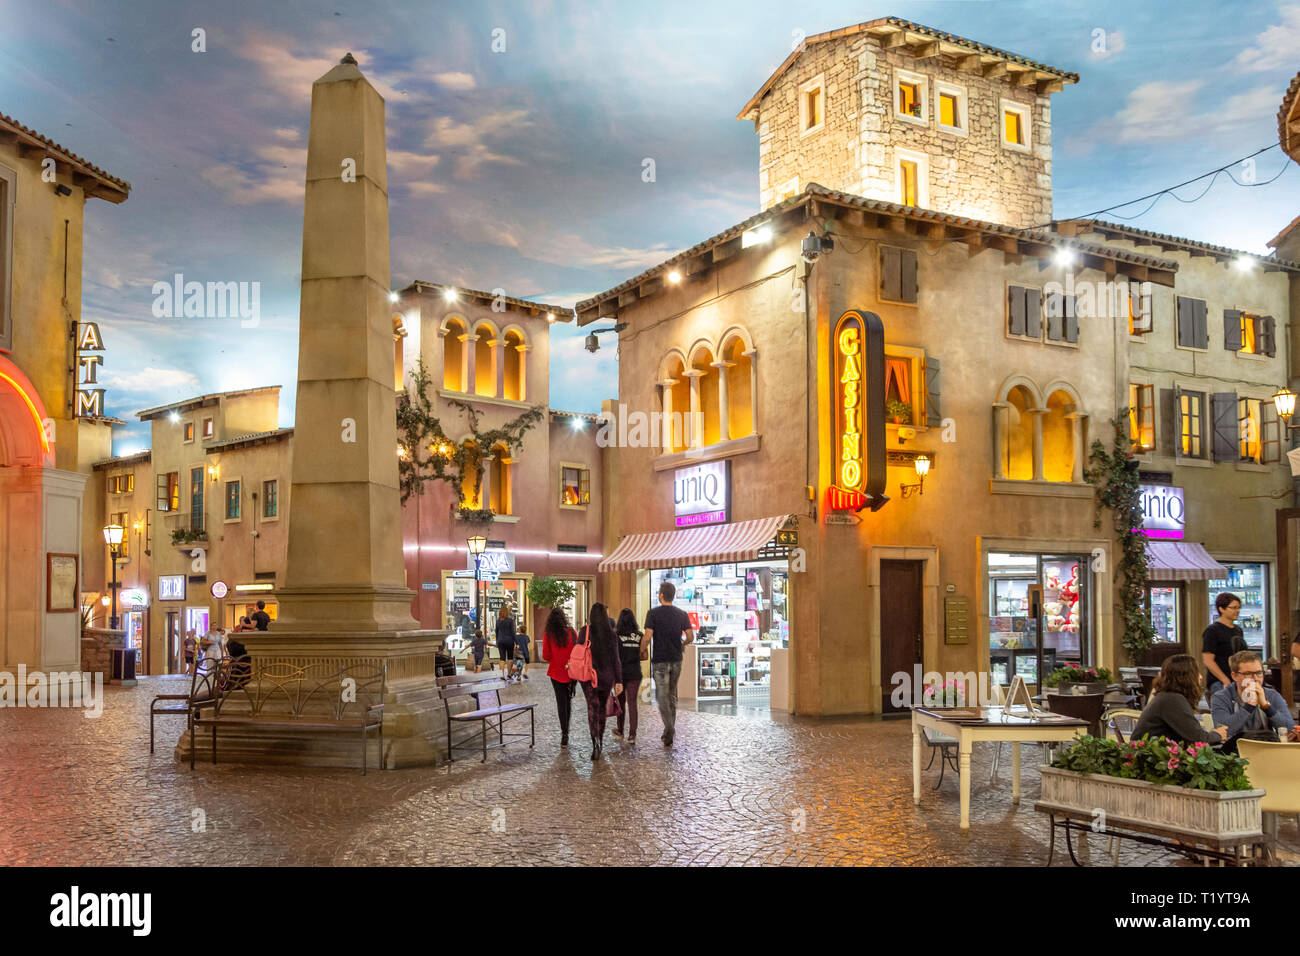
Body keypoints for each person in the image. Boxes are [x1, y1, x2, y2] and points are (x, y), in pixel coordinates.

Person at [1132, 653, 1228, 746]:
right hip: (1150, 758)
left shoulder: (1169, 696)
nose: (1201, 677)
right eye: (1196, 673)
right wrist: (1219, 734)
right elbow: (1197, 738)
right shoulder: (1172, 700)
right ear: (1185, 677)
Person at [1210, 650, 1297, 752]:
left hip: (1268, 751)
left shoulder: (1272, 695)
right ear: (1234, 676)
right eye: (1248, 674)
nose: (1255, 678)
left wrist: (1266, 706)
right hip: (1233, 754)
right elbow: (1224, 731)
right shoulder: (1221, 697)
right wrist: (1250, 705)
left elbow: (1290, 730)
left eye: (1259, 673)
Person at [642, 581, 694, 747]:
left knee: (661, 695)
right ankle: (668, 729)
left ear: (661, 595)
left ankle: (669, 728)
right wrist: (681, 644)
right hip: (677, 659)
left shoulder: (653, 613)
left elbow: (648, 637)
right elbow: (690, 636)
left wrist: (641, 650)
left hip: (660, 660)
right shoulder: (682, 614)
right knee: (671, 695)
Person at [578, 603, 623, 760]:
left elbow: (578, 651)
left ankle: (595, 742)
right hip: (606, 677)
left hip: (588, 676)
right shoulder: (611, 635)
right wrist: (619, 681)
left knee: (592, 707)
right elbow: (616, 660)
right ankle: (600, 741)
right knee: (602, 709)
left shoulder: (585, 631)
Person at [542, 608, 577, 748]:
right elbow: (577, 651)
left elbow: (545, 656)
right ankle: (566, 729)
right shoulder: (572, 633)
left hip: (556, 673)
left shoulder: (548, 634)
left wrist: (556, 658)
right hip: (571, 672)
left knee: (561, 703)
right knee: (568, 701)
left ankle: (564, 734)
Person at [1202, 592, 1246, 697]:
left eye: (1239, 607)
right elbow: (1208, 660)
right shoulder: (1212, 630)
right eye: (1233, 608)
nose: (1237, 611)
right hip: (1219, 681)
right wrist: (1225, 680)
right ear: (1221, 609)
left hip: (1238, 679)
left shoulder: (1238, 630)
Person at [612, 608, 644, 744]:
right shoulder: (639, 635)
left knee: (620, 702)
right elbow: (644, 654)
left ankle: (620, 730)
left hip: (620, 674)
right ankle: (632, 735)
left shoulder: (616, 635)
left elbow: (613, 656)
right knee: (632, 704)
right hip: (635, 672)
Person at [495, 606, 517, 680]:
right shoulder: (510, 620)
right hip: (509, 641)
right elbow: (513, 632)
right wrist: (516, 642)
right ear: (507, 612)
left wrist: (497, 641)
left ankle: (501, 675)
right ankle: (509, 674)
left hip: (500, 641)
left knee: (502, 658)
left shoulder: (498, 621)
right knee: (510, 658)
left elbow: (496, 632)